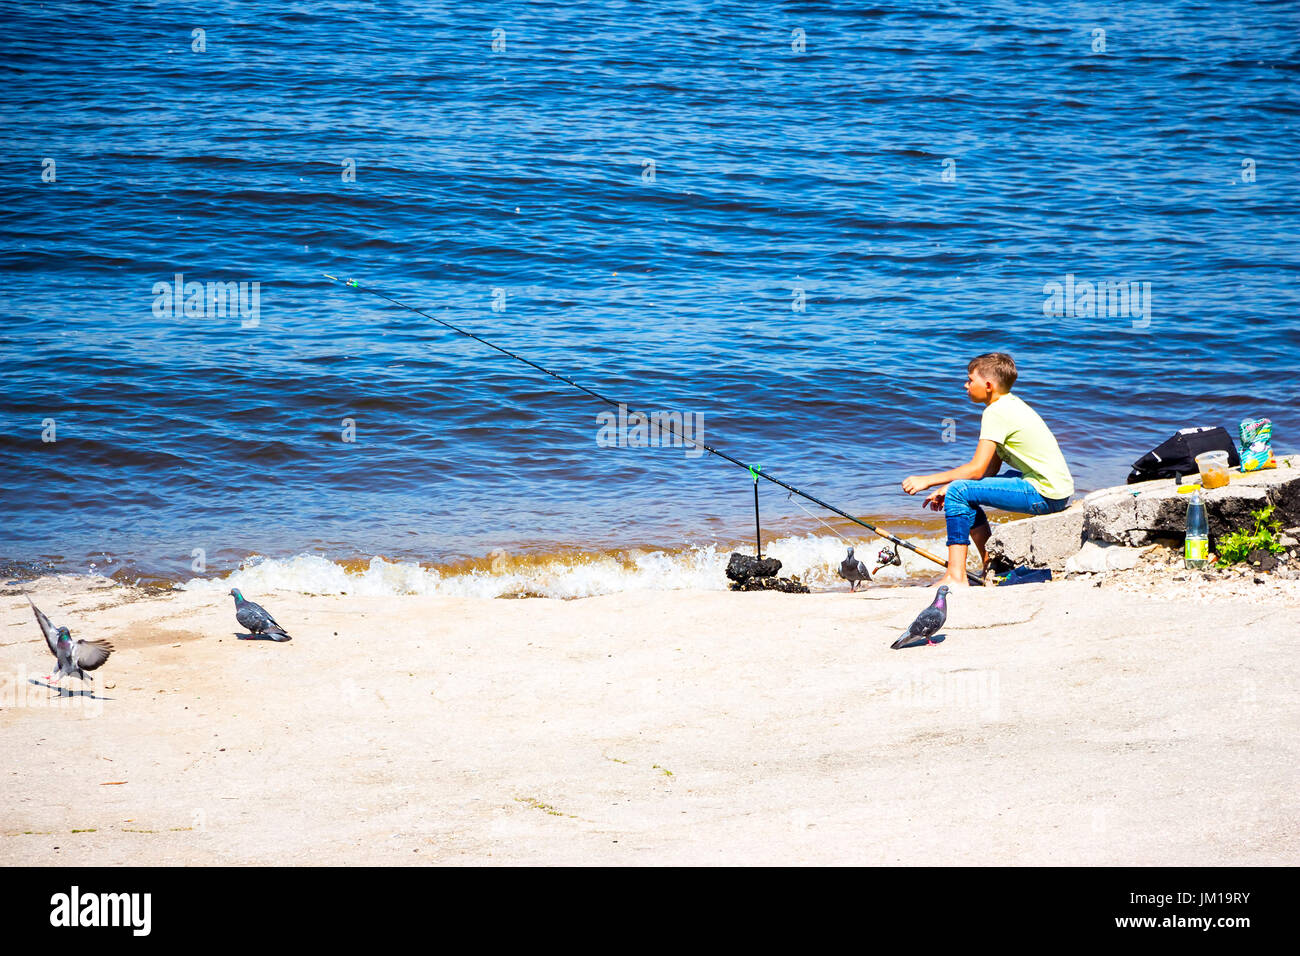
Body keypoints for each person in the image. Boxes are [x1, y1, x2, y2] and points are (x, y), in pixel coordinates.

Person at [902, 352, 1074, 586]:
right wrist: (950, 487)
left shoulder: (996, 412)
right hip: (1054, 489)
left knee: (960, 492)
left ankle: (955, 576)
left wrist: (929, 480)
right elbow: (987, 471)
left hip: (1045, 493)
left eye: (970, 380)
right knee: (962, 491)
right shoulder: (1009, 404)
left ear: (989, 385)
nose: (966, 384)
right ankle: (992, 564)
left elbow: (975, 469)